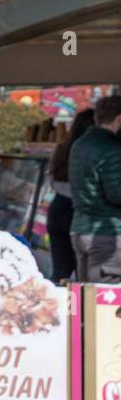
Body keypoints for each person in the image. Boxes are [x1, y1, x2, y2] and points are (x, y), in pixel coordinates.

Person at [69, 95, 121, 283]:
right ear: (119, 119)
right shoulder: (112, 150)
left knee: (86, 298)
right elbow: (117, 194)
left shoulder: (79, 145)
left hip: (79, 230)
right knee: (105, 300)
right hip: (106, 234)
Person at [46, 108, 93, 282]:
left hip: (58, 208)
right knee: (85, 275)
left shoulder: (62, 148)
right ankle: (81, 307)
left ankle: (60, 304)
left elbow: (50, 180)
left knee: (61, 272)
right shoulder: (94, 151)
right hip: (81, 211)